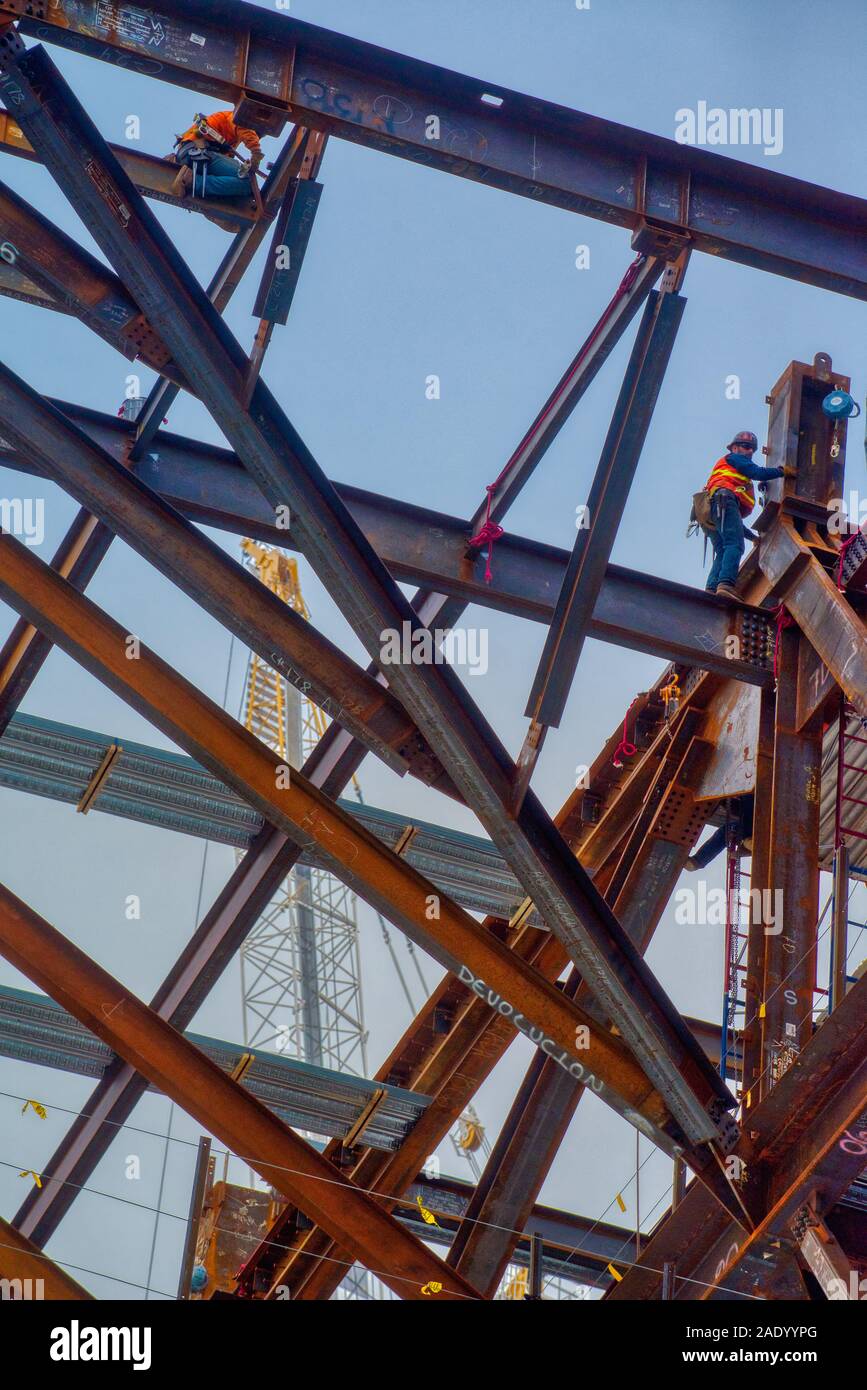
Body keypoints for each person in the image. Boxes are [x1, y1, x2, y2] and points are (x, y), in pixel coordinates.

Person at [704, 430, 793, 598]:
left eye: (752, 448)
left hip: (712, 511)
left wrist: (753, 538)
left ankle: (711, 589)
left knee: (723, 549)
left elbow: (733, 522)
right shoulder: (734, 459)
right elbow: (758, 473)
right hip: (723, 502)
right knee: (734, 545)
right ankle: (726, 585)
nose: (750, 451)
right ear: (734, 448)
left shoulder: (729, 475)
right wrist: (781, 471)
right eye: (746, 447)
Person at [169, 110, 263, 201]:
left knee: (245, 184)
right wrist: (256, 152)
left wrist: (253, 191)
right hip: (198, 153)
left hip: (192, 156)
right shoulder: (235, 117)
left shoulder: (229, 138)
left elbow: (225, 164)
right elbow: (243, 128)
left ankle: (194, 181)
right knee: (248, 179)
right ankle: (192, 182)